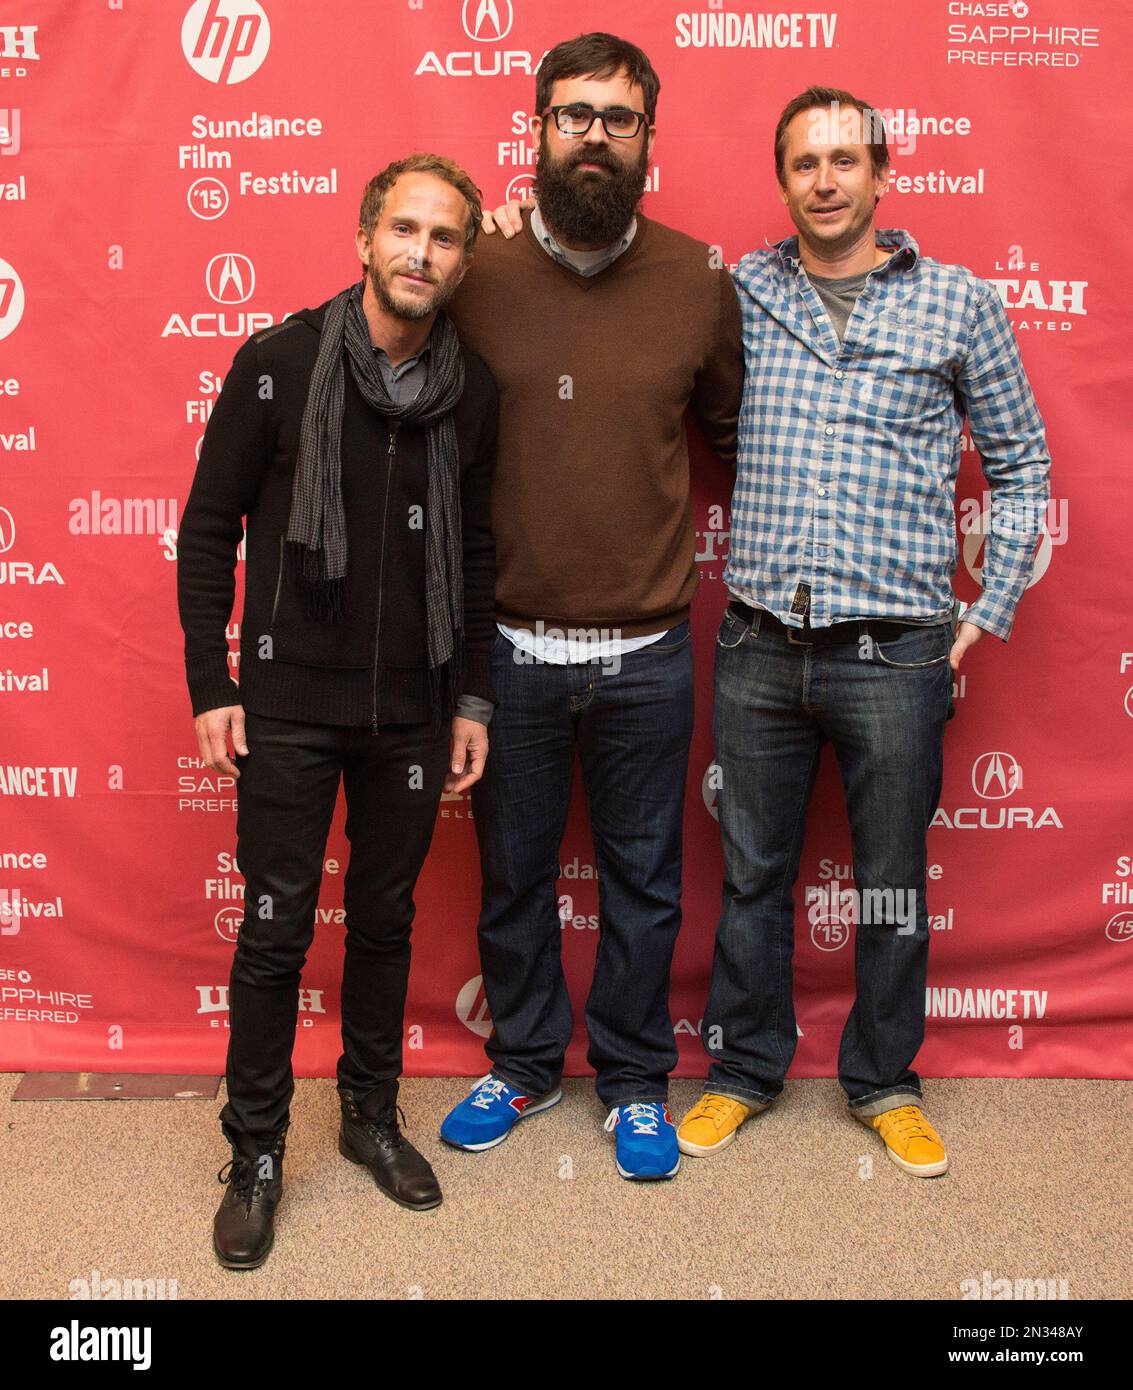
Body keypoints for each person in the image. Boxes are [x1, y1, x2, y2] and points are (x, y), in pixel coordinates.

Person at [677, 87, 1051, 1177]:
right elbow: (631, 317)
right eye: (804, 162)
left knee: (887, 878)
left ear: (883, 174)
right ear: (782, 178)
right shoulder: (737, 291)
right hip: (757, 644)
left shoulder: (957, 304)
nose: (825, 179)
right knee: (752, 875)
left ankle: (884, 1078)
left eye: (845, 159)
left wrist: (984, 615)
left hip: (897, 654)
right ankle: (742, 1070)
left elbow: (1021, 466)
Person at [177, 153, 499, 1267]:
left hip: (411, 710)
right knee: (272, 933)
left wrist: (469, 696)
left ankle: (369, 1115)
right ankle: (256, 1149)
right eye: (403, 229)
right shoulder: (278, 363)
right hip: (288, 709)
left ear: (462, 256)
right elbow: (209, 527)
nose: (421, 251)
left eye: (444, 235)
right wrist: (211, 682)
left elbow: (478, 552)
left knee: (385, 922)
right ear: (365, 239)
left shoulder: (476, 389)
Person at [437, 32, 744, 1181]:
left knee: (644, 878)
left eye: (618, 117)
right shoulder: (478, 273)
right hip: (507, 648)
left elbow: (733, 435)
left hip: (650, 649)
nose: (595, 136)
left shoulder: (697, 283)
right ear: (537, 129)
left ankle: (629, 1079)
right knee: (512, 871)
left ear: (647, 137)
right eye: (574, 114)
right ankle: (521, 1060)